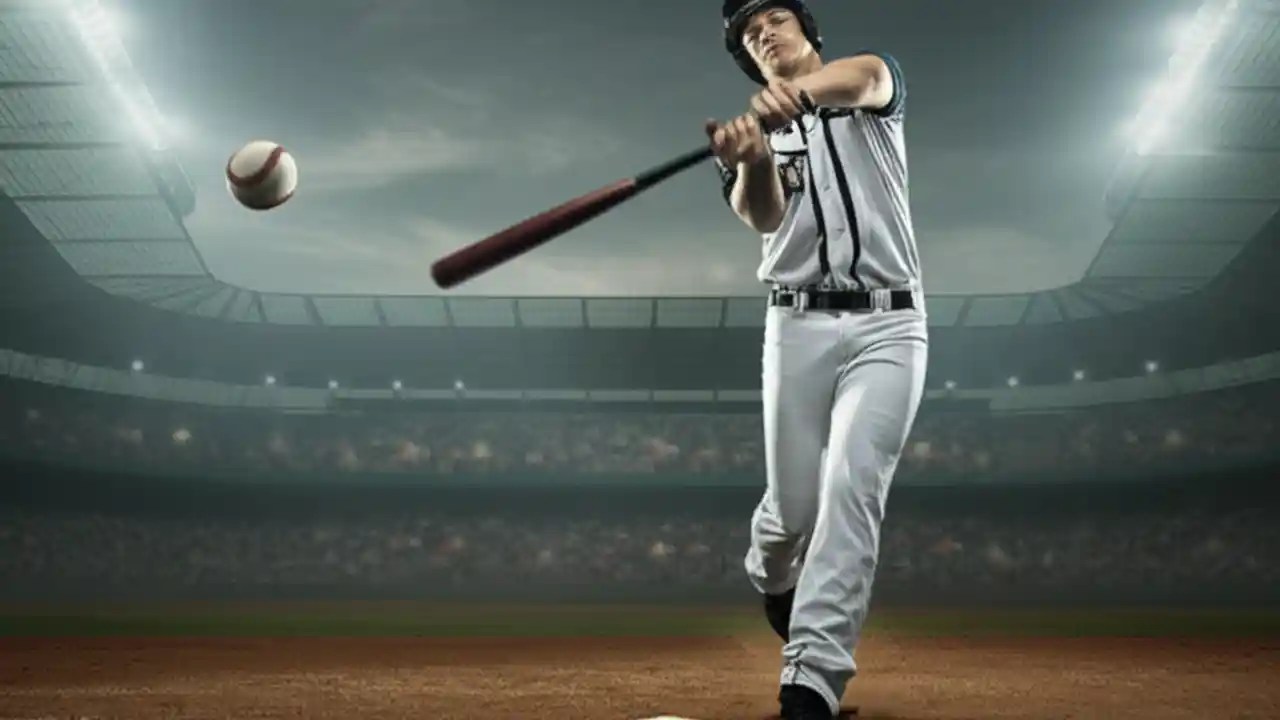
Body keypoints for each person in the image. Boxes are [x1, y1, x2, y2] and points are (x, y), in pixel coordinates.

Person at [706, 2, 929, 718]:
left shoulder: (866, 83)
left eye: (776, 17)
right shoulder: (748, 134)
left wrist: (795, 98)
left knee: (850, 488)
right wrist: (753, 159)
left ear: (806, 31)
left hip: (890, 327)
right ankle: (772, 572)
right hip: (796, 326)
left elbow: (864, 80)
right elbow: (764, 218)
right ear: (748, 56)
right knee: (792, 513)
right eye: (750, 33)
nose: (765, 31)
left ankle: (811, 680)